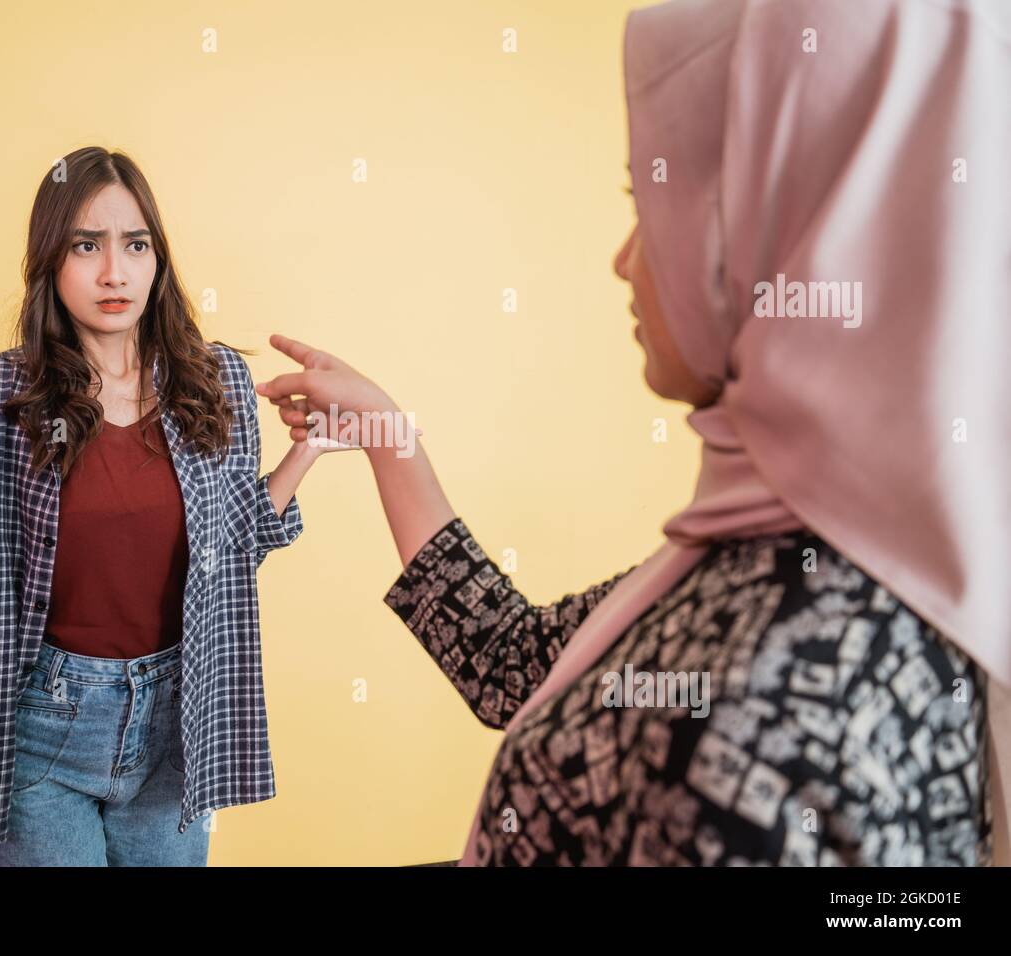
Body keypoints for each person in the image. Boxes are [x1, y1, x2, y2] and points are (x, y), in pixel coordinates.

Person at [255, 0, 1011, 865]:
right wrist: (391, 438)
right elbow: (516, 663)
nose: (624, 257)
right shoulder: (828, 561)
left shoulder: (767, 698)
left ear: (773, 228)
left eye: (643, 202)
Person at [0, 147, 334, 865]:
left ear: (157, 259)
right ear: (51, 260)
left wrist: (310, 449)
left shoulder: (215, 379)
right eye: (86, 246)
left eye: (135, 245)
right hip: (43, 723)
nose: (115, 271)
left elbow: (235, 545)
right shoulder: (4, 396)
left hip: (178, 717)